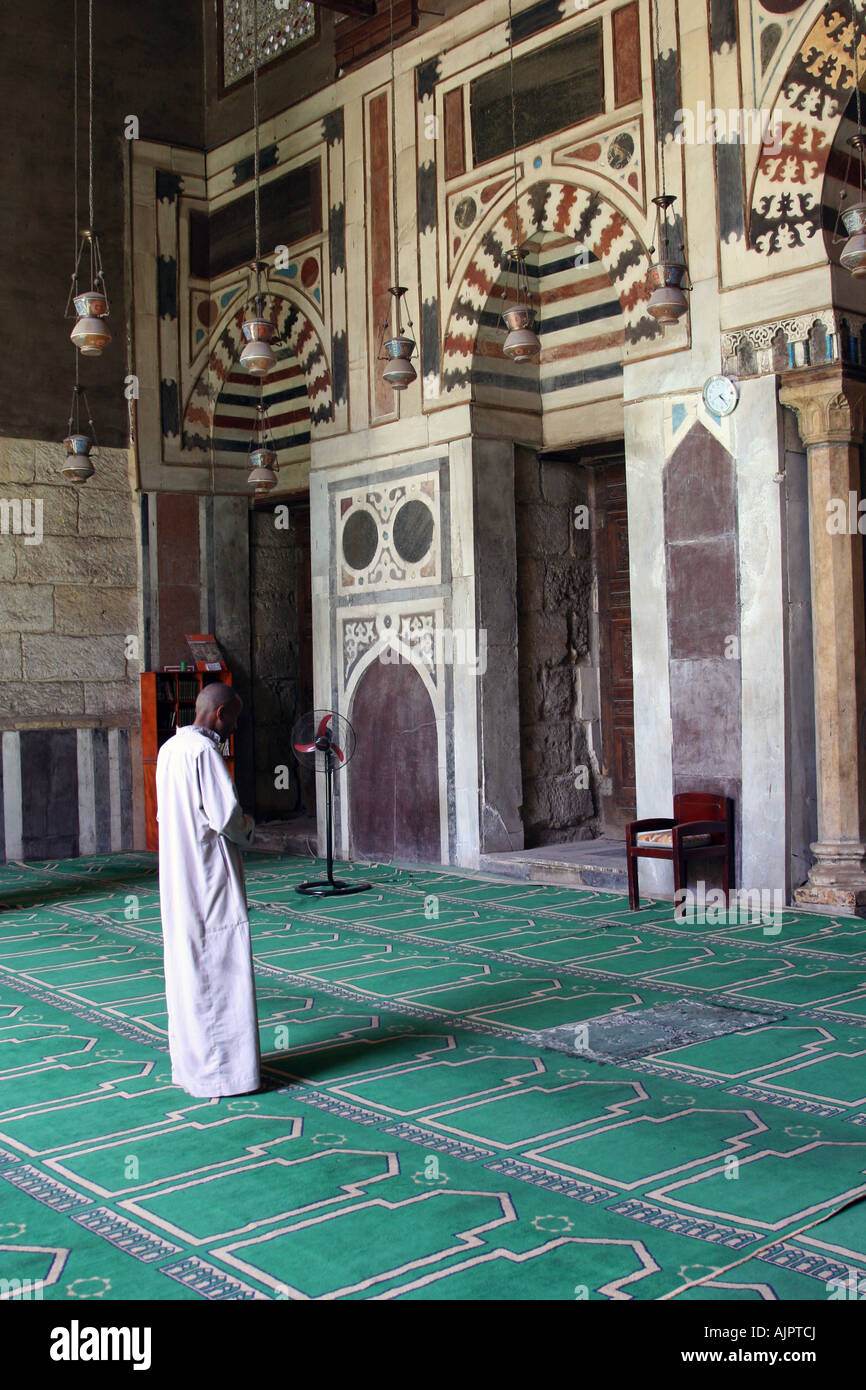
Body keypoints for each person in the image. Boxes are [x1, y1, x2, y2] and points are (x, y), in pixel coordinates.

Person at [155, 681, 260, 1097]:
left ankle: (192, 1068)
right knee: (219, 966)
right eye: (232, 718)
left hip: (178, 876)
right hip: (209, 876)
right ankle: (226, 1075)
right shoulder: (204, 753)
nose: (234, 726)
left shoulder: (168, 750)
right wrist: (250, 827)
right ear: (220, 714)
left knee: (188, 969)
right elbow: (227, 817)